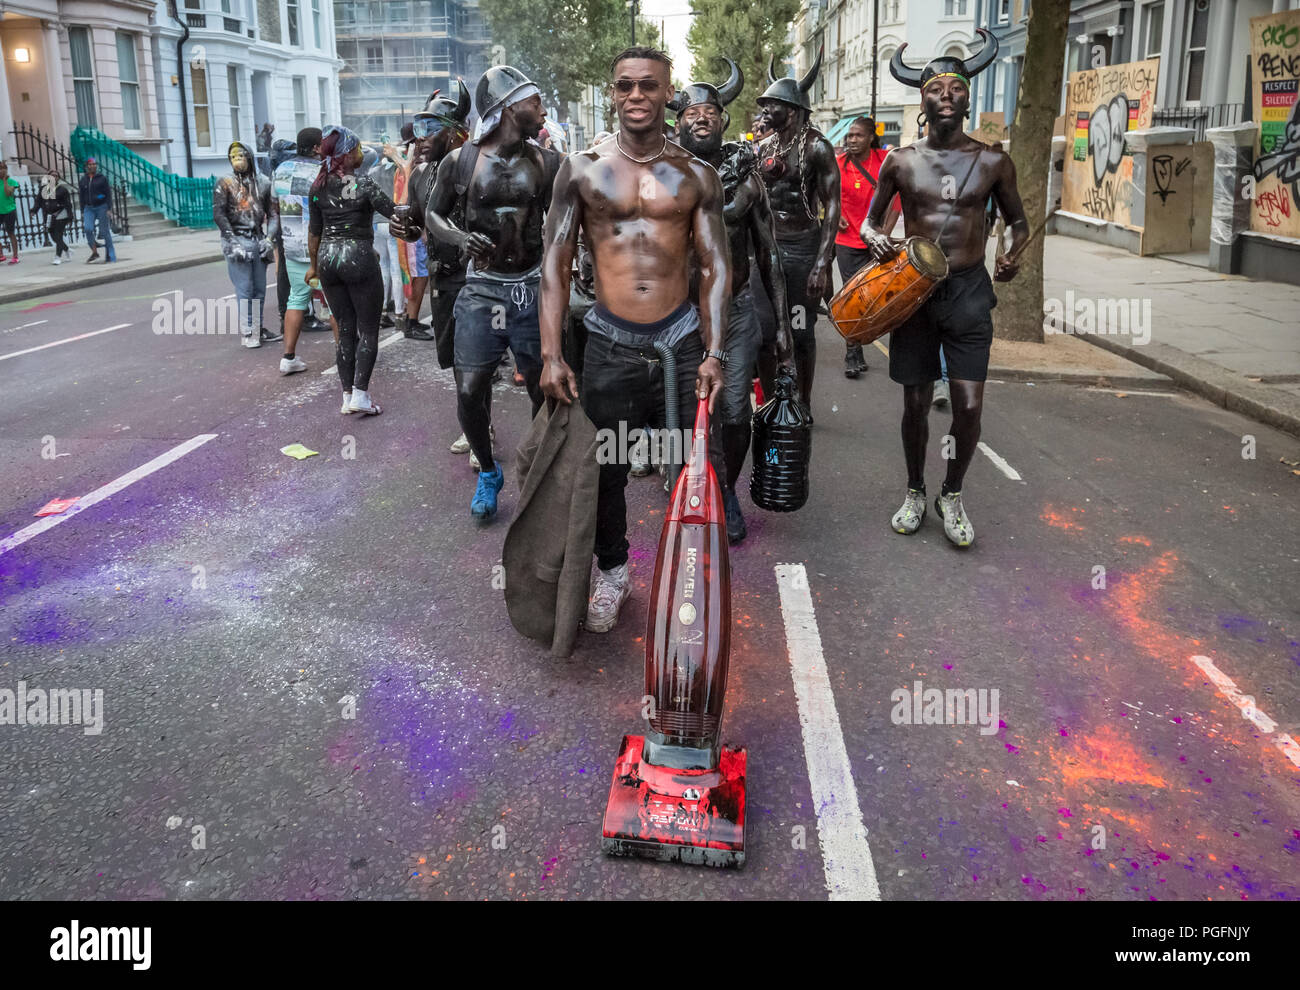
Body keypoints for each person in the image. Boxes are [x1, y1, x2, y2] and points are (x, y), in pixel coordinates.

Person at [539, 45, 728, 634]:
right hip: (611, 343)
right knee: (608, 471)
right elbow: (554, 259)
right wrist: (551, 354)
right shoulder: (583, 168)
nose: (637, 96)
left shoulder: (698, 175)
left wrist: (716, 350)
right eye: (626, 86)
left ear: (669, 93)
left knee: (694, 467)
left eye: (649, 85)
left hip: (682, 345)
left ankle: (690, 574)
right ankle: (614, 571)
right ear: (613, 92)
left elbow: (716, 266)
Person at [862, 30, 1027, 548]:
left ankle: (951, 492)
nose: (947, 95)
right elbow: (870, 223)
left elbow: (1019, 224)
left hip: (969, 292)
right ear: (923, 99)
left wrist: (1012, 255)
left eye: (956, 87)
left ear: (968, 97)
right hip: (912, 291)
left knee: (969, 406)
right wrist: (877, 241)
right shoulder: (900, 161)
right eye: (937, 87)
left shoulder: (993, 161)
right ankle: (915, 489)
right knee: (914, 404)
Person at [424, 65, 558, 522]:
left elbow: (565, 221)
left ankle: (541, 471)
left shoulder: (546, 162)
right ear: (507, 108)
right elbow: (433, 216)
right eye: (534, 101)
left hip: (531, 289)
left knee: (545, 390)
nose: (542, 110)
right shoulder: (461, 161)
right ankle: (488, 469)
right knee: (469, 387)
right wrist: (461, 239)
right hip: (481, 290)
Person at [672, 56, 795, 544]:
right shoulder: (661, 171)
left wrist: (782, 326)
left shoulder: (748, 177)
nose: (701, 117)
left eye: (710, 111)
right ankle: (685, 485)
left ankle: (723, 489)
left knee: (735, 412)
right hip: (677, 313)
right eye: (691, 112)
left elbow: (769, 256)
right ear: (678, 121)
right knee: (682, 409)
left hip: (737, 309)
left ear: (723, 120)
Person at [755, 47, 839, 422]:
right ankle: (774, 402)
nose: (765, 111)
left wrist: (822, 262)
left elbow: (832, 206)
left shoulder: (818, 147)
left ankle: (803, 402)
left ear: (791, 109)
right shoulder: (763, 148)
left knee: (801, 332)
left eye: (771, 105)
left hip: (803, 251)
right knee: (766, 331)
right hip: (767, 250)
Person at [390, 84, 473, 450]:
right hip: (443, 278)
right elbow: (417, 225)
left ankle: (479, 432)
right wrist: (404, 229)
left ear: (457, 133)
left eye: (430, 128)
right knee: (456, 359)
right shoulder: (422, 174)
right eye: (418, 128)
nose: (419, 138)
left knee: (477, 360)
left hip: (478, 280)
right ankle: (473, 426)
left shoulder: (476, 169)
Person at [305, 125, 399, 415]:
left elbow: (314, 235)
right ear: (346, 155)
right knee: (368, 330)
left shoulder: (317, 187)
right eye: (357, 148)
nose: (361, 153)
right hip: (358, 256)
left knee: (344, 328)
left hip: (328, 259)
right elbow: (395, 212)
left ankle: (347, 397)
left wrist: (313, 267)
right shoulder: (364, 185)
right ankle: (360, 394)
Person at [835, 115, 901, 378]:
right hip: (846, 242)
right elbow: (825, 193)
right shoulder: (839, 164)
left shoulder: (883, 162)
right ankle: (853, 351)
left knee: (876, 297)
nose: (852, 140)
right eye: (850, 136)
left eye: (858, 135)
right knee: (853, 295)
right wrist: (836, 211)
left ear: (871, 137)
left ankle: (869, 342)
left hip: (876, 243)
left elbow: (896, 200)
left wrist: (884, 233)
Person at [274, 127, 337, 373]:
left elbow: (275, 206)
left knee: (296, 299)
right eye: (323, 144)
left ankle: (288, 358)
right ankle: (343, 354)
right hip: (319, 244)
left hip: (291, 244)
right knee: (335, 302)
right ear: (315, 148)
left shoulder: (280, 171)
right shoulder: (321, 172)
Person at [214, 141, 279, 349]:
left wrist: (269, 239)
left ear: (249, 157)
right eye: (233, 157)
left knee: (259, 289)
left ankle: (258, 328)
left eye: (240, 156)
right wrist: (232, 241)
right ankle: (248, 330)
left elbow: (274, 214)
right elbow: (219, 214)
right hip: (237, 239)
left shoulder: (264, 182)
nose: (237, 160)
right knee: (245, 288)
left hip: (258, 239)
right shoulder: (224, 183)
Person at [78, 158, 115, 263]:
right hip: (88, 208)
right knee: (88, 229)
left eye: (95, 164)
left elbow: (108, 194)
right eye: (91, 164)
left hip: (102, 207)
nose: (93, 166)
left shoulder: (102, 178)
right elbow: (81, 196)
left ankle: (111, 255)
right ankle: (95, 252)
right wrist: (82, 210)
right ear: (87, 166)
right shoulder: (83, 179)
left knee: (104, 232)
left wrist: (109, 208)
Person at [36, 168, 75, 265]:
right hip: (50, 215)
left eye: (56, 176)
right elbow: (39, 201)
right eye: (52, 175)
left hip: (61, 214)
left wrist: (70, 217)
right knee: (53, 236)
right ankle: (67, 249)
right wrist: (33, 210)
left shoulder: (62, 190)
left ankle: (58, 257)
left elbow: (68, 204)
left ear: (58, 178)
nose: (54, 177)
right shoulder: (44, 189)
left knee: (58, 234)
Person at [0, 163, 21, 264]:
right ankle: (1, 255)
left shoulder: (12, 182)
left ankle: (15, 256)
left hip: (9, 211)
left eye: (2, 169)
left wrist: (5, 181)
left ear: (5, 170)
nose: (0, 171)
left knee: (10, 233)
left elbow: (8, 193)